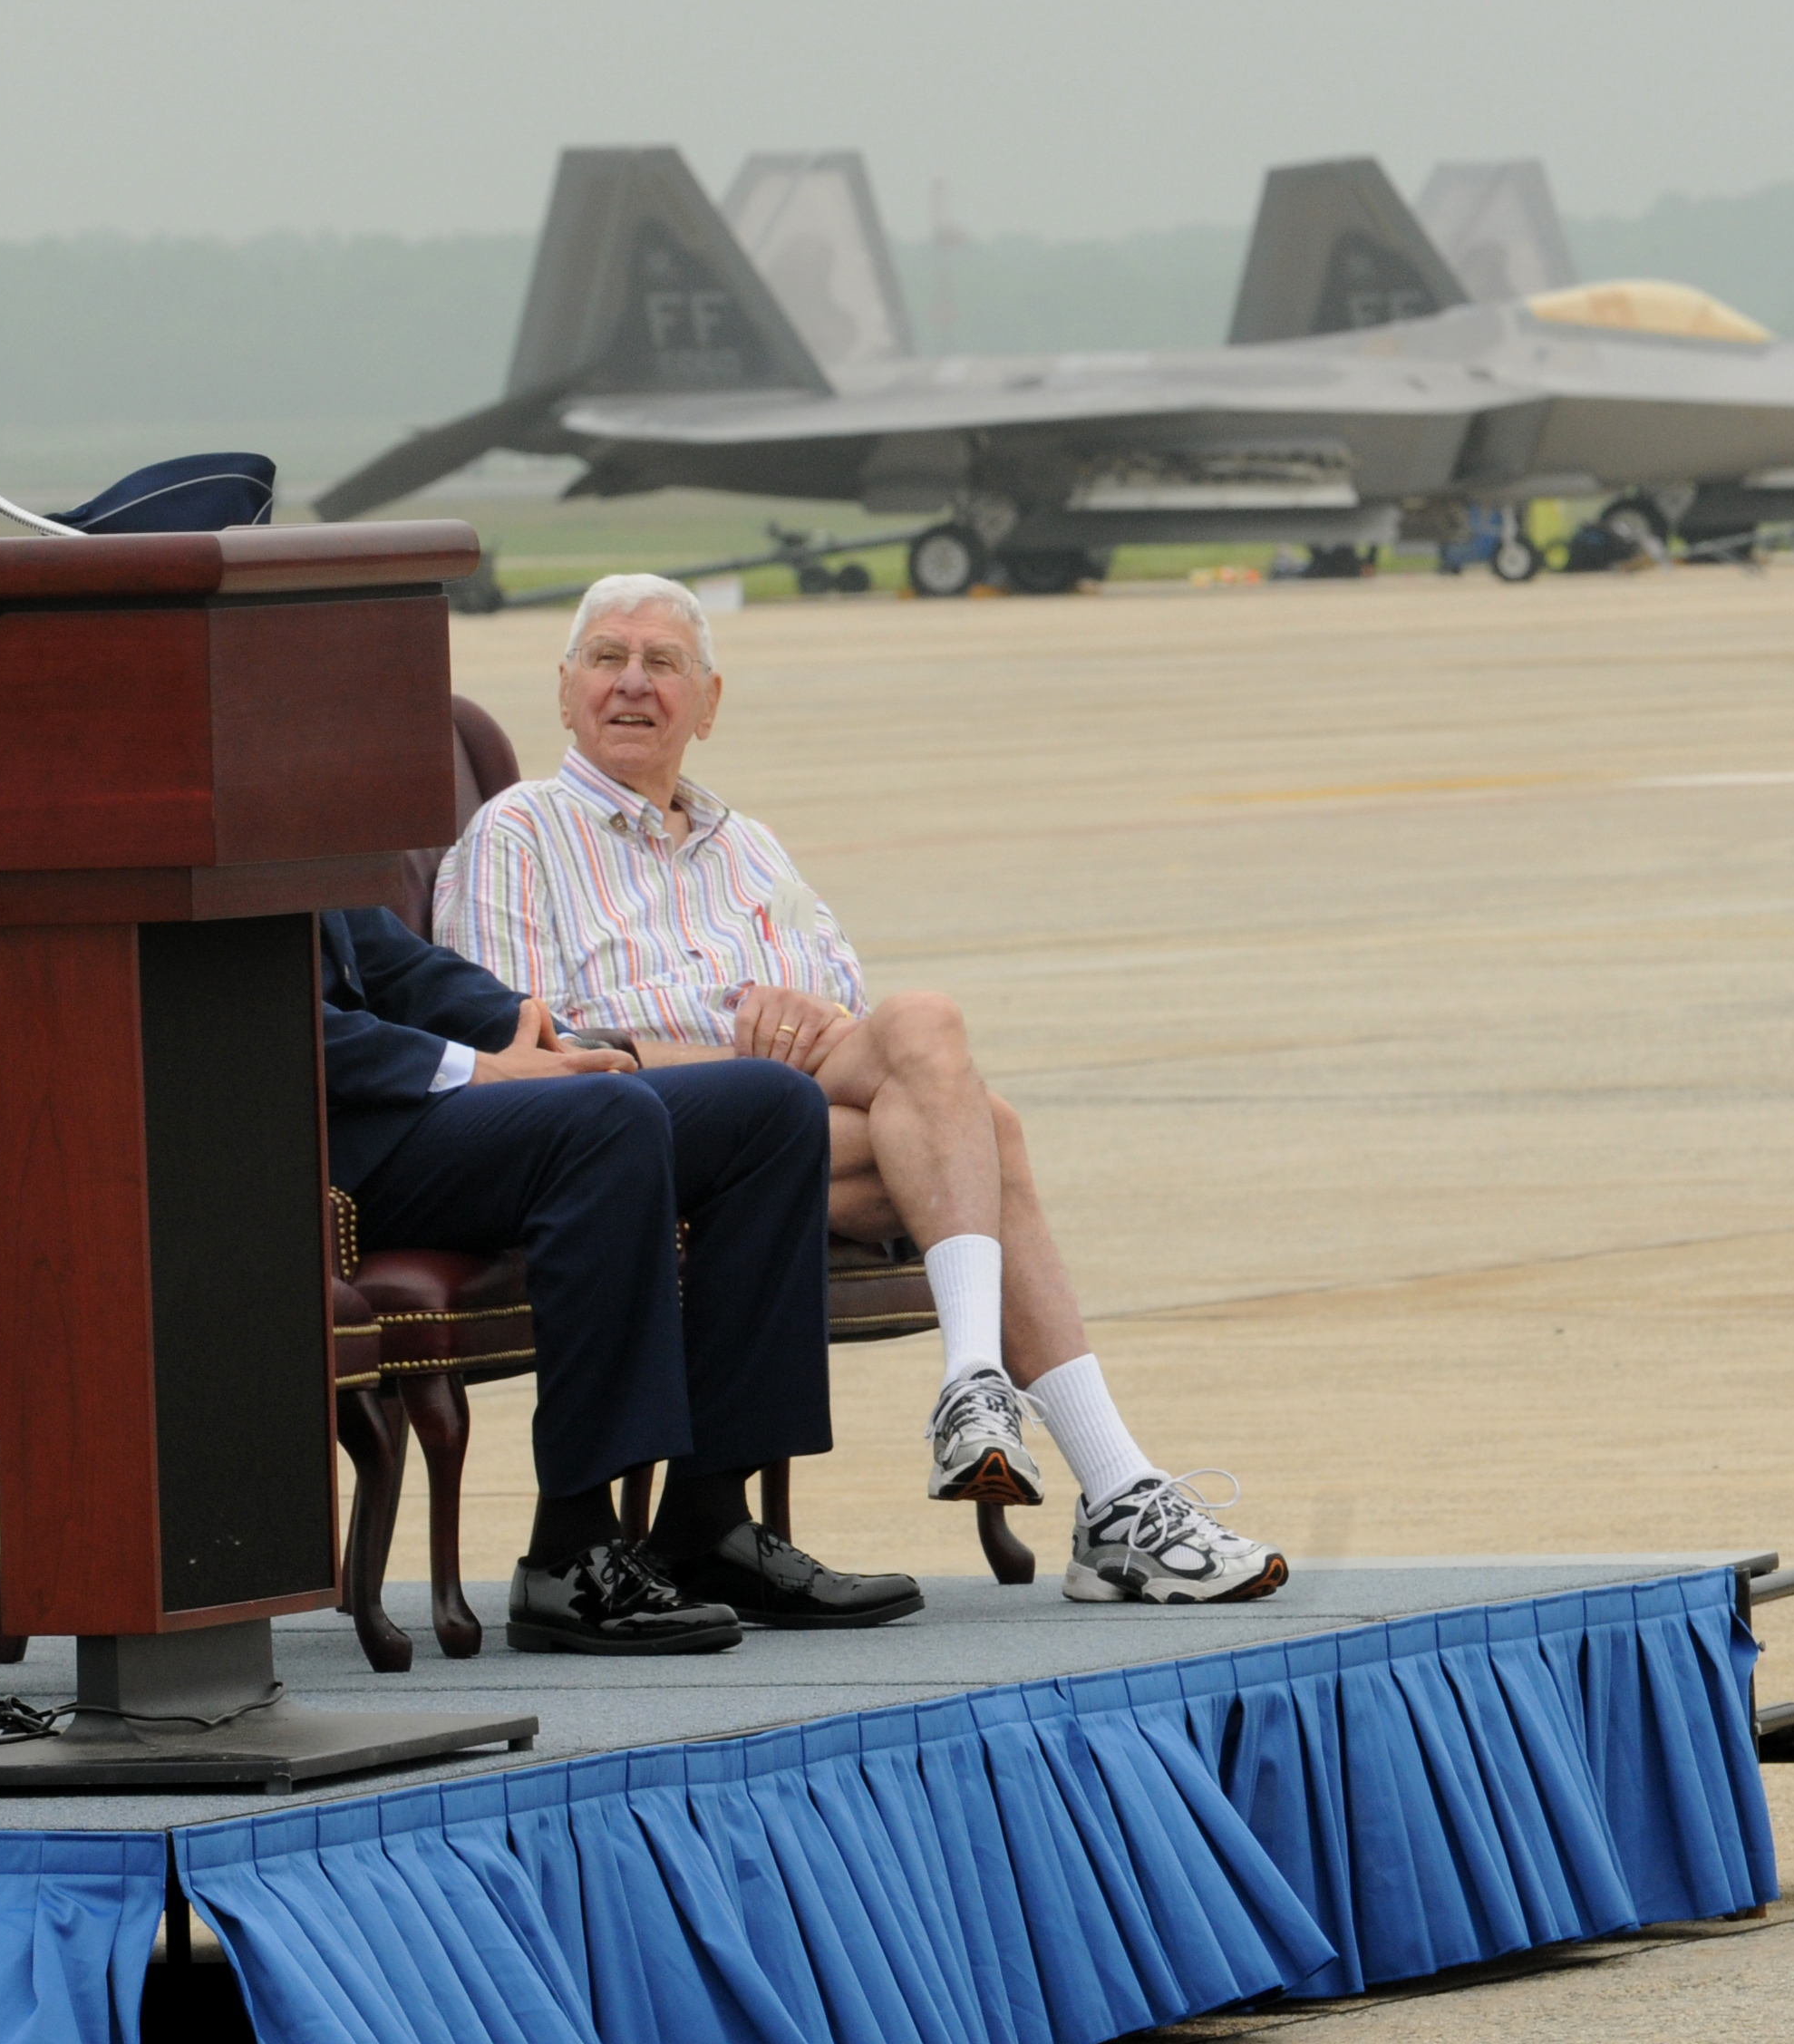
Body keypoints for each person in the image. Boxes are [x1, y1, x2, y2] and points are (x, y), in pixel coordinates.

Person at [436, 574, 1287, 1605]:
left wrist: (797, 1017)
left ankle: (1021, 1423)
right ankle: (1099, 1480)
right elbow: (525, 1045)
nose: (632, 684)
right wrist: (738, 1045)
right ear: (564, 690)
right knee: (980, 1128)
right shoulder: (517, 832)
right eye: (607, 659)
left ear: (708, 704)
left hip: (777, 1125)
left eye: (663, 664)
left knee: (928, 1040)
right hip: (622, 1122)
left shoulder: (745, 845)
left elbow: (849, 1005)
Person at [317, 904, 923, 1647]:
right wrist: (479, 1067)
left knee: (772, 1105)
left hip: (407, 1106)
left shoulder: (281, 810)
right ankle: (568, 1551)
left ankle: (710, 1525)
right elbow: (257, 1016)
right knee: (606, 1116)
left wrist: (546, 1037)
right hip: (328, 1142)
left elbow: (395, 964)